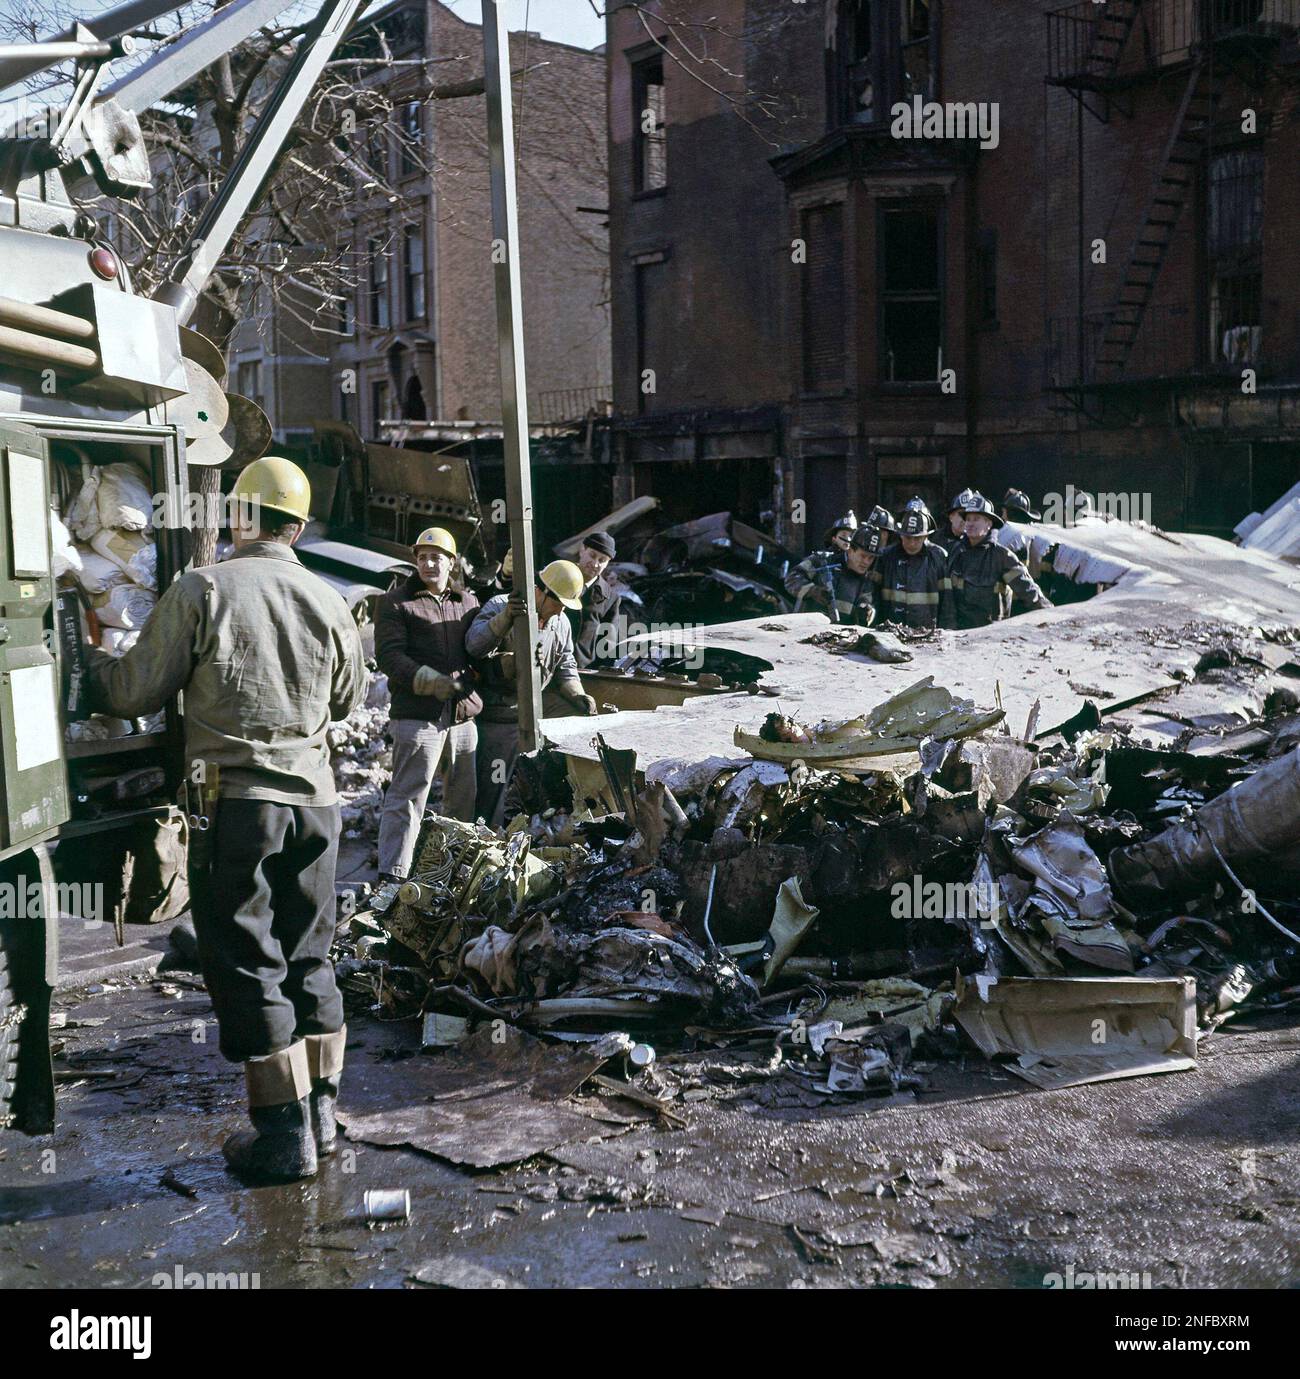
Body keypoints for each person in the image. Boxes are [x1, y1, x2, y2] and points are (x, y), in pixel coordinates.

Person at [85, 457, 367, 1184]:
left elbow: (133, 688)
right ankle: (323, 1118)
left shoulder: (201, 588)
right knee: (310, 953)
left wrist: (86, 667)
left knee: (248, 962)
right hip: (317, 805)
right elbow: (346, 701)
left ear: (240, 519)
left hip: (234, 805)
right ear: (298, 526)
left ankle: (282, 1138)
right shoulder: (332, 599)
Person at [374, 527, 482, 882]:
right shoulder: (396, 603)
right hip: (418, 717)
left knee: (463, 798)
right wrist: (427, 680)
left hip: (463, 717)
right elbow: (389, 656)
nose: (428, 563)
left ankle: (450, 871)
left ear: (451, 563)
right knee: (408, 796)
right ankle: (393, 875)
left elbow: (479, 652)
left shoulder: (467, 602)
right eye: (422, 557)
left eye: (436, 557)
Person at [467, 559, 598, 827]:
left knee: (530, 787)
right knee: (494, 786)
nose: (561, 609)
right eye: (558, 602)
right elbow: (473, 646)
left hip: (533, 715)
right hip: (498, 716)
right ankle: (482, 838)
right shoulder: (501, 606)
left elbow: (566, 666)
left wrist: (577, 695)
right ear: (540, 590)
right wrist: (504, 623)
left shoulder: (560, 623)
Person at [944, 492, 1052, 629]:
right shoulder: (955, 552)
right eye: (968, 519)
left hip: (991, 636)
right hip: (959, 634)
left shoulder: (1001, 556)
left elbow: (1029, 592)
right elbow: (947, 598)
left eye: (976, 519)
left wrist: (1052, 616)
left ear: (989, 523)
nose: (970, 524)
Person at [874, 502, 953, 629]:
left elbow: (947, 602)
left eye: (917, 538)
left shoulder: (938, 557)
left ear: (926, 536)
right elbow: (873, 594)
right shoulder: (886, 556)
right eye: (908, 537)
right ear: (900, 534)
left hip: (927, 633)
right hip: (890, 633)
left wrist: (948, 631)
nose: (912, 543)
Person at [789, 525, 881, 624]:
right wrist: (813, 591)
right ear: (850, 551)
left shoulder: (866, 582)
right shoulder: (821, 560)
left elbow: (866, 603)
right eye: (863, 556)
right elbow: (791, 579)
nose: (866, 562)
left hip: (838, 636)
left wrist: (866, 611)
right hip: (805, 630)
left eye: (871, 558)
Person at [572, 531, 622, 668]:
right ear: (582, 550)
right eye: (592, 555)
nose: (595, 564)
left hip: (582, 670)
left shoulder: (611, 598)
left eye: (602, 560)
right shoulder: (558, 576)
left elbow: (607, 645)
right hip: (547, 662)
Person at [938, 489, 977, 554]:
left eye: (970, 516)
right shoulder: (935, 540)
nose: (966, 519)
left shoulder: (983, 543)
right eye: (962, 514)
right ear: (951, 517)